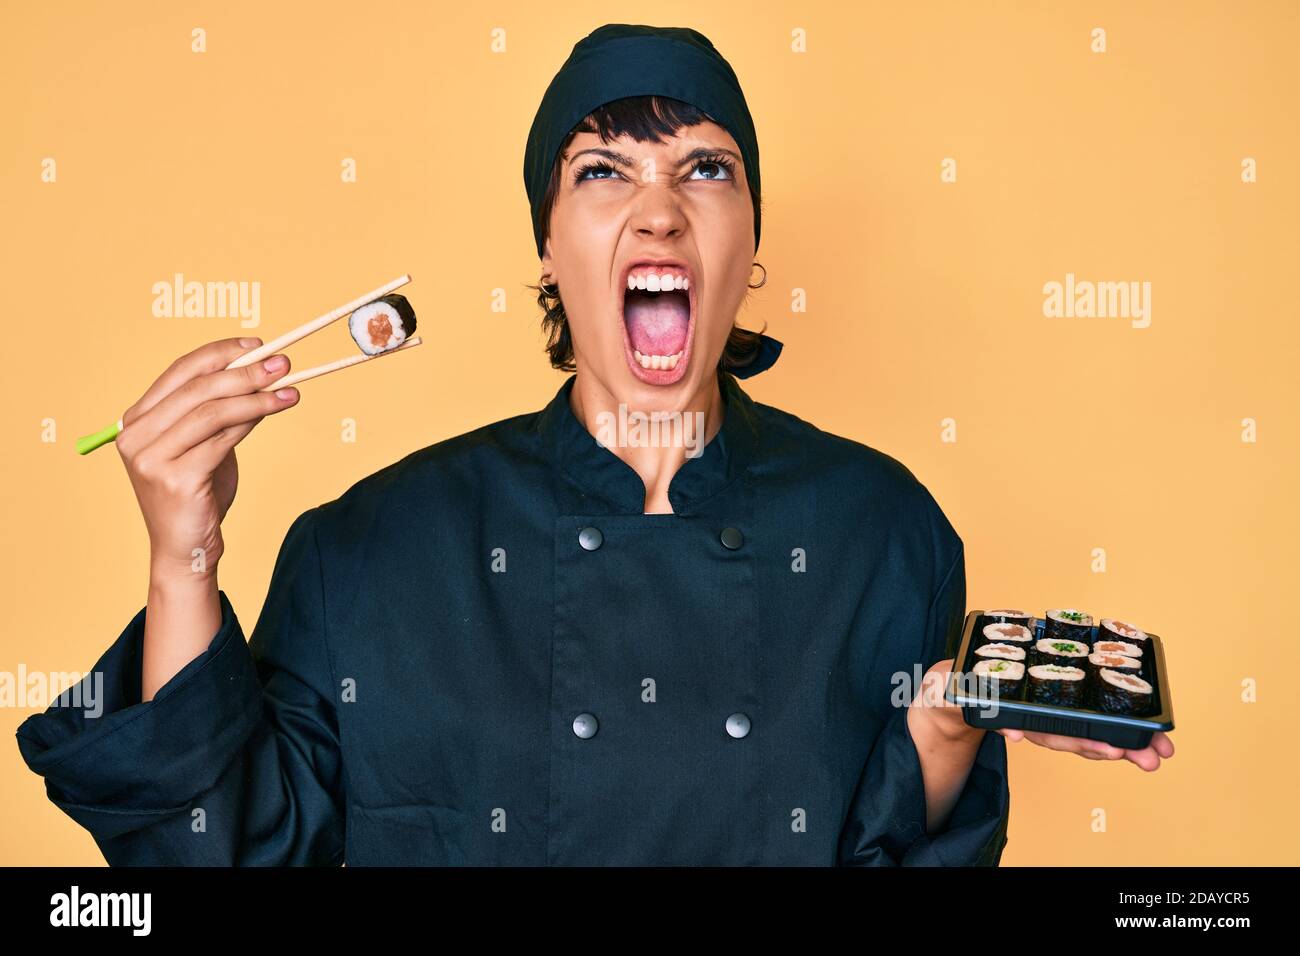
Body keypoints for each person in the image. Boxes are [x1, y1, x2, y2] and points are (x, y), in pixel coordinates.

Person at [16, 23, 1171, 867]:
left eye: (704, 169)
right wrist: (182, 558)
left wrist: (936, 730)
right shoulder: (368, 546)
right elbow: (222, 857)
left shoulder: (883, 529)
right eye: (603, 171)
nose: (658, 210)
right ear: (553, 249)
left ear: (749, 237)